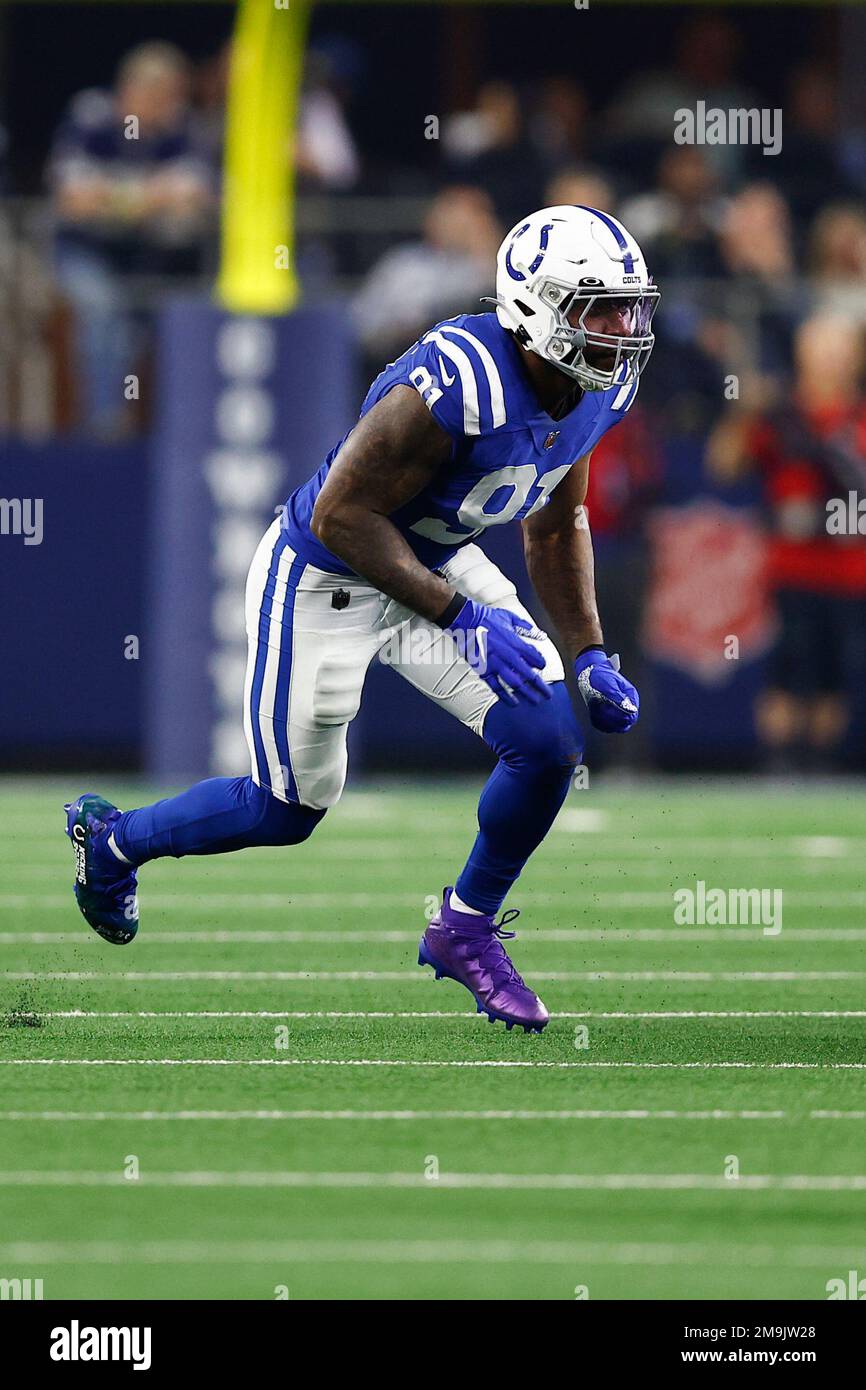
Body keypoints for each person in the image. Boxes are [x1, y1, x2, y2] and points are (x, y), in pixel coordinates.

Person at [65, 205, 660, 1033]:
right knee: (286, 809)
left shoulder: (600, 388)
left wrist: (590, 650)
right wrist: (458, 616)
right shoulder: (455, 379)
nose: (621, 329)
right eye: (599, 308)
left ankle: (465, 926)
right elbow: (343, 514)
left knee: (549, 740)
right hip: (327, 574)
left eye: (628, 307)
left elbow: (556, 520)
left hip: (437, 561)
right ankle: (117, 842)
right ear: (535, 306)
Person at [48, 42, 213, 435]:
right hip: (82, 252)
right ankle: (104, 427)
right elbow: (73, 200)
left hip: (149, 259)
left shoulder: (182, 127)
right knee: (105, 312)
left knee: (176, 316)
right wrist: (145, 198)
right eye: (163, 96)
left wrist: (114, 196)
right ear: (134, 90)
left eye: (175, 96)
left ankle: (176, 431)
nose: (171, 105)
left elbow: (194, 196)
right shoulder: (92, 115)